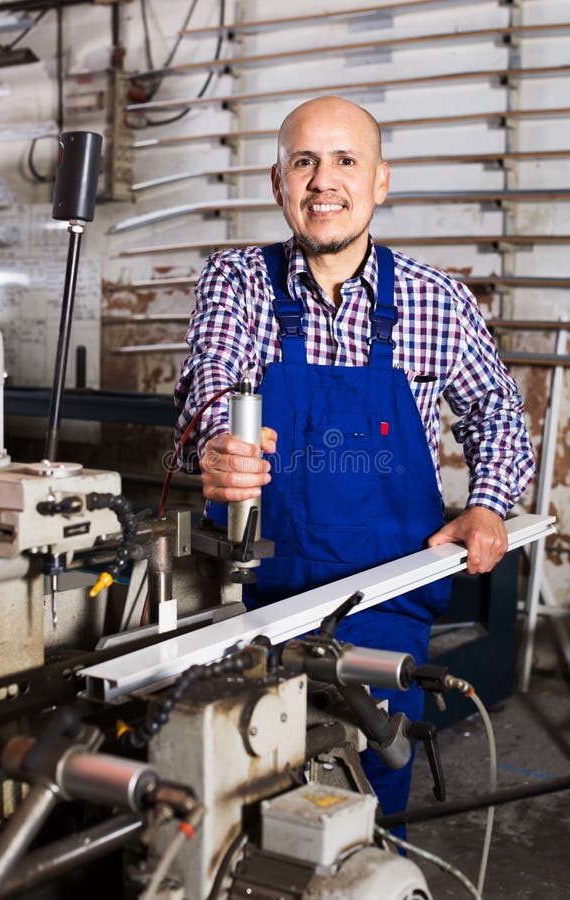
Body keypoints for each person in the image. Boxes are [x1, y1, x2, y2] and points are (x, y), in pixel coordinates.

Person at [174, 95, 535, 819]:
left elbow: (497, 411)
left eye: (345, 160)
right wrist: (218, 444)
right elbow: (209, 379)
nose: (323, 181)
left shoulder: (438, 301)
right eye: (303, 162)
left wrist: (489, 505)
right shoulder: (237, 281)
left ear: (379, 181)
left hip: (385, 601)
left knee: (369, 789)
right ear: (278, 183)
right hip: (253, 598)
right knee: (241, 792)